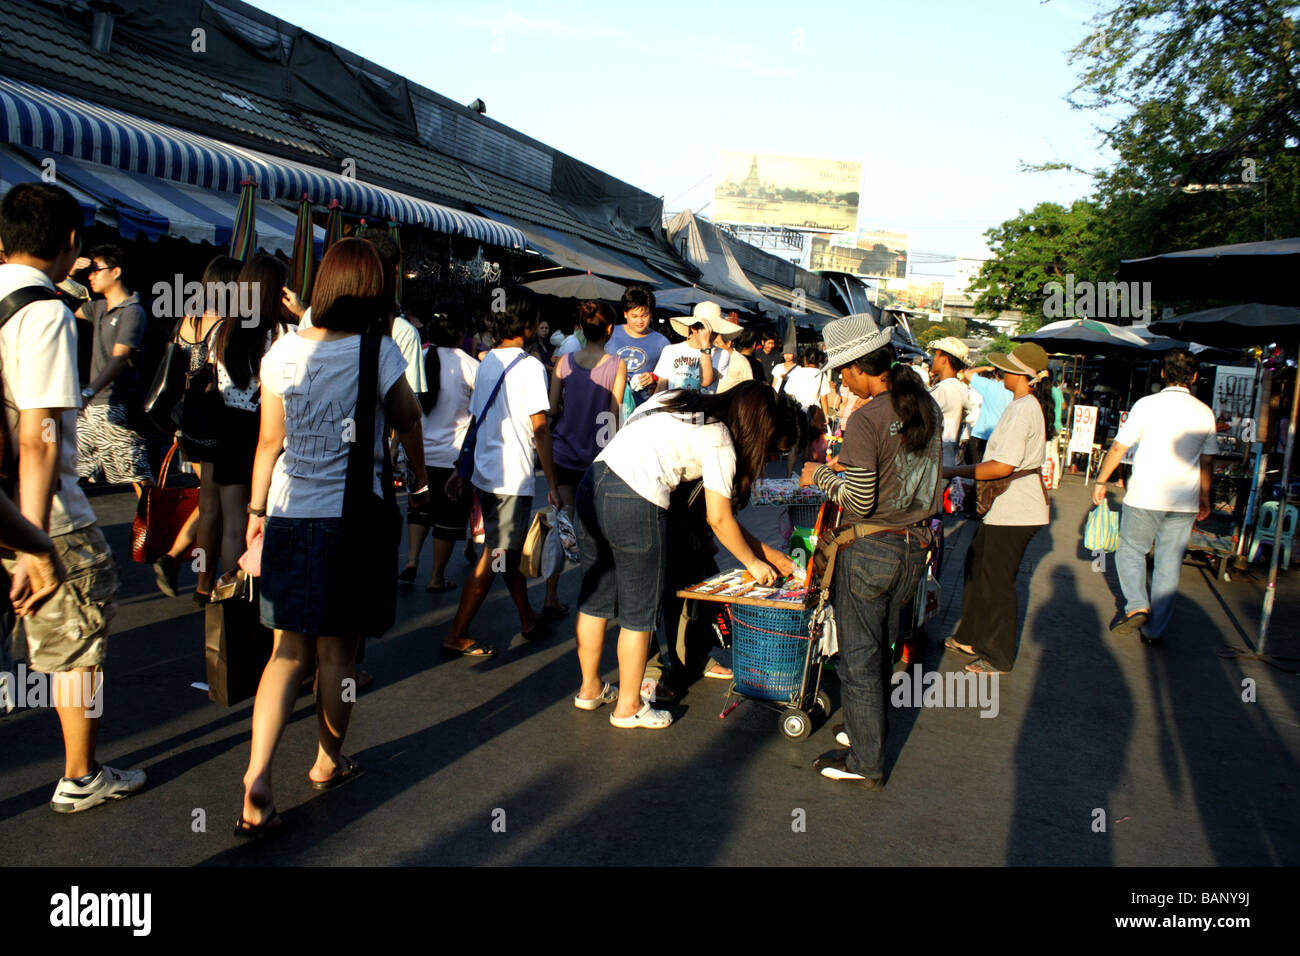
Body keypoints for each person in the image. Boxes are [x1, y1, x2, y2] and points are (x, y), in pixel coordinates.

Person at [239, 238, 428, 835]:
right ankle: (326, 761)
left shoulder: (282, 352)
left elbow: (269, 443)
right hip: (351, 521)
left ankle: (258, 776)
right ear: (375, 290)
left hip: (290, 515)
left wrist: (255, 509)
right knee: (337, 656)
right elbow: (408, 419)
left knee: (285, 653)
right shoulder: (377, 352)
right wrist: (419, 479)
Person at [0, 182, 146, 812]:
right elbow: (39, 436)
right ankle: (80, 775)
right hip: (42, 511)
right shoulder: (46, 311)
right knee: (77, 642)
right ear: (70, 246)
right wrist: (33, 540)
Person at [573, 381, 802, 729]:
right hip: (636, 500)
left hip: (593, 483)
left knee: (596, 602)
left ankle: (589, 689)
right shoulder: (720, 438)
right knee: (638, 613)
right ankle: (628, 707)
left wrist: (766, 553)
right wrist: (754, 564)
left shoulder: (677, 399)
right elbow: (719, 518)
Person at [800, 314, 941, 789]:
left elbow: (858, 500)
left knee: (859, 659)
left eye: (843, 369)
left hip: (869, 552)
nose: (841, 378)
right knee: (880, 647)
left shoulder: (866, 417)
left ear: (862, 366)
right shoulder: (925, 408)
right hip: (912, 549)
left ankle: (866, 763)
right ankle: (868, 731)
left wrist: (817, 474)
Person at [442, 286, 561, 657]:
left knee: (504, 550)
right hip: (511, 476)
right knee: (495, 554)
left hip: (486, 473)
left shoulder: (488, 360)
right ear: (527, 324)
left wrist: (462, 469)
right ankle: (457, 632)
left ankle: (527, 617)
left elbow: (477, 420)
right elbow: (540, 428)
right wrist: (553, 485)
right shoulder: (530, 368)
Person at [1092, 349, 1217, 647]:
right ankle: (1155, 631)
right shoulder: (1205, 413)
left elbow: (1119, 447)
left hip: (1146, 495)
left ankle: (1137, 604)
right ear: (1195, 377)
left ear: (1162, 374)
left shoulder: (1146, 405)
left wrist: (1101, 480)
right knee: (1169, 564)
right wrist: (1205, 497)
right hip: (1185, 500)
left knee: (1130, 551)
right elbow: (1208, 463)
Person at [943, 342, 1055, 674]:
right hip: (1007, 507)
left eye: (1005, 368)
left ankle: (998, 655)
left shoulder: (1024, 408)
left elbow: (1002, 466)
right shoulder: (1021, 403)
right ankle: (970, 637)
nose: (999, 372)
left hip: (1018, 509)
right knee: (977, 567)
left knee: (997, 582)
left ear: (1019, 374)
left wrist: (955, 471)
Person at [153, 254, 242, 601]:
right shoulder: (227, 325)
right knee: (227, 510)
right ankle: (222, 585)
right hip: (218, 422)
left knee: (207, 509)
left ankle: (201, 581)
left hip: (187, 421)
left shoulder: (188, 320)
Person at [544, 300, 626, 618]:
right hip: (597, 456)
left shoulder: (564, 361)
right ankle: (593, 598)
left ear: (582, 327)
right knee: (595, 529)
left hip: (563, 451)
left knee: (562, 525)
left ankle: (550, 595)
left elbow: (552, 408)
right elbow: (614, 414)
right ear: (609, 329)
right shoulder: (616, 364)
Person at [209, 255, 289, 582]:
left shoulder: (222, 331)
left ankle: (231, 589)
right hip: (266, 430)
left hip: (228, 428)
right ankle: (258, 586)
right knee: (262, 518)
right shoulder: (283, 333)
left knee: (232, 525)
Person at [401, 313, 478, 591]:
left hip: (418, 454)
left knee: (420, 510)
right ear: (460, 334)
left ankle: (411, 560)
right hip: (452, 459)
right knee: (447, 520)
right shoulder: (471, 366)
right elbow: (478, 417)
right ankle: (436, 577)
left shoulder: (419, 359)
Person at [72, 245, 155, 495]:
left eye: (96, 270)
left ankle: (154, 522)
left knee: (137, 473)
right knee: (69, 467)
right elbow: (66, 303)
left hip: (117, 403)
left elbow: (120, 358)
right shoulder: (97, 308)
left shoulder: (133, 312)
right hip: (93, 406)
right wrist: (69, 271)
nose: (91, 275)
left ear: (116, 272)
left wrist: (88, 391)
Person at [654, 302, 739, 393]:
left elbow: (705, 381)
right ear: (694, 328)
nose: (712, 335)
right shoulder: (670, 350)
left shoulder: (722, 354)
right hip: (673, 405)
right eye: (708, 330)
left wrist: (705, 346)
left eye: (715, 330)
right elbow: (661, 386)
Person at [606, 285, 668, 406]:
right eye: (634, 316)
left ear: (651, 314)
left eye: (644, 316)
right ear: (625, 314)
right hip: (608, 401)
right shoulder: (609, 334)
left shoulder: (663, 343)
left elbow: (666, 377)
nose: (640, 321)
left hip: (641, 408)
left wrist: (654, 378)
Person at [926, 336, 970, 473]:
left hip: (936, 459)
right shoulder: (959, 386)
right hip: (948, 457)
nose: (933, 359)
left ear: (944, 360)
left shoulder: (943, 389)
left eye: (936, 355)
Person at [958, 364, 1012, 470]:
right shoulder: (1012, 391)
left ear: (996, 374)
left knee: (976, 470)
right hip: (1001, 437)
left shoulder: (989, 386)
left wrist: (985, 368)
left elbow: (968, 373)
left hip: (980, 435)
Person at [717, 327, 762, 393]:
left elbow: (748, 386)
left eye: (717, 343)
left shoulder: (741, 361)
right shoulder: (714, 357)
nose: (715, 346)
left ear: (728, 343)